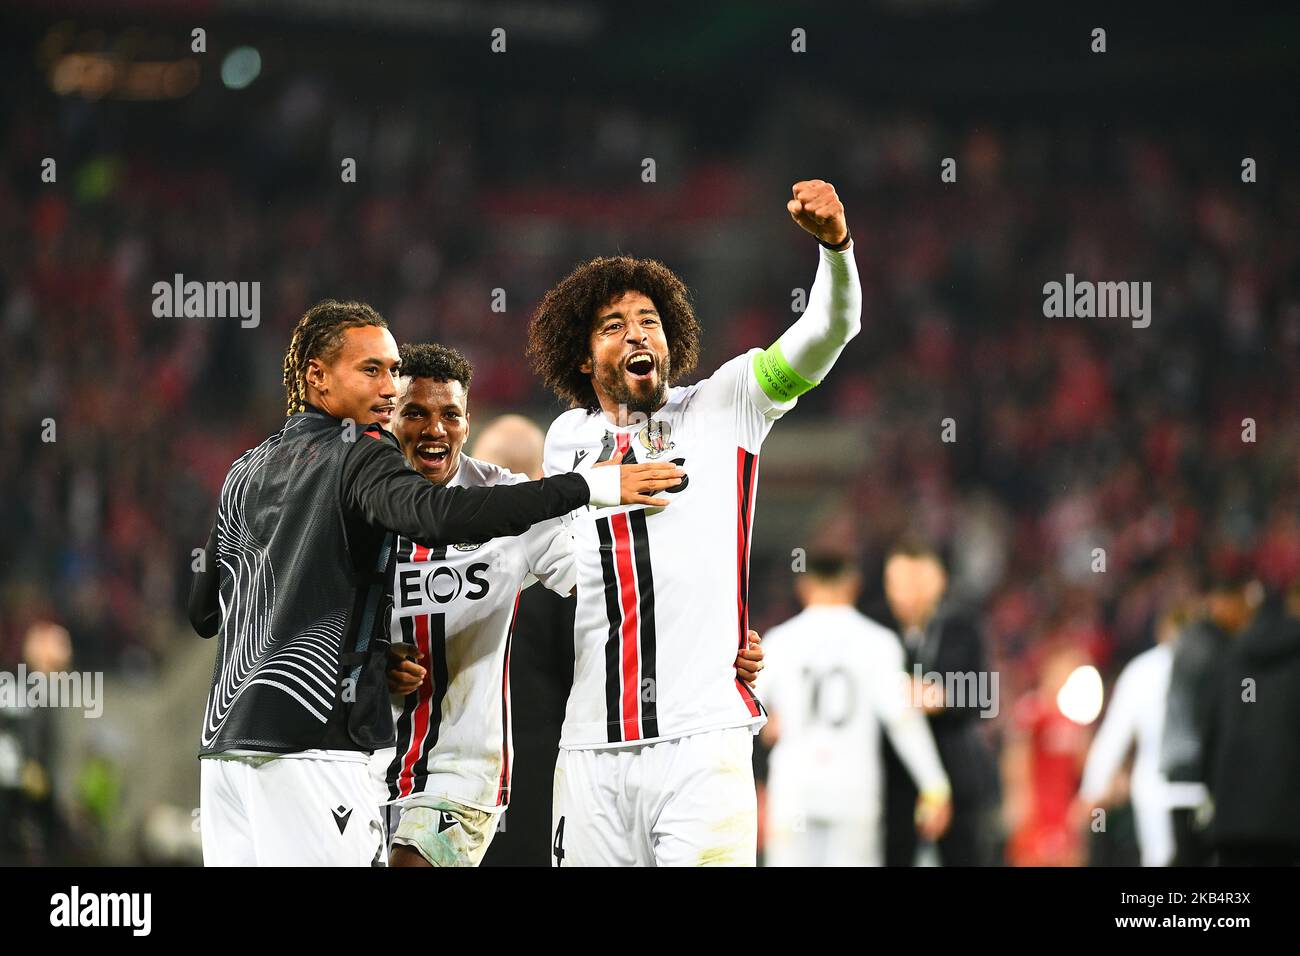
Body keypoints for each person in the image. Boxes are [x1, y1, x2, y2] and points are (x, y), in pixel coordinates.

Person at [189, 301, 683, 866]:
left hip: (253, 751)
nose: (389, 387)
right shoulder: (363, 458)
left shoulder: (246, 468)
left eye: (391, 371)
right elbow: (438, 517)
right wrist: (588, 485)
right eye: (374, 372)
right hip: (327, 751)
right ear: (316, 377)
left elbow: (204, 611)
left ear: (469, 423)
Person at [528, 179, 861, 866]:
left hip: (702, 742)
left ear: (671, 336)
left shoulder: (730, 403)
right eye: (613, 325)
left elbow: (830, 331)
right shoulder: (564, 440)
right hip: (590, 749)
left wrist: (836, 248)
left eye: (649, 319)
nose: (637, 332)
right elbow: (559, 565)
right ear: (584, 357)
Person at [760, 552, 951, 866]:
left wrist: (767, 728)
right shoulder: (877, 642)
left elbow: (746, 711)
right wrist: (934, 784)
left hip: (794, 788)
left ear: (804, 586)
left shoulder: (780, 641)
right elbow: (902, 720)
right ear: (853, 585)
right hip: (854, 789)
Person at [881, 541, 1000, 866]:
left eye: (913, 584)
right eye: (896, 584)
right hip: (895, 778)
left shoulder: (961, 628)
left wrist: (942, 697)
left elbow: (984, 697)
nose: (903, 594)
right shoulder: (879, 628)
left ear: (937, 583)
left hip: (955, 768)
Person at [1072, 606, 1204, 866]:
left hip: (1156, 785)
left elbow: (1114, 736)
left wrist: (1091, 789)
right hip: (1203, 786)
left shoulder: (1143, 670)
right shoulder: (1214, 660)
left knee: (1161, 859)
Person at [1202, 577, 1300, 866]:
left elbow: (1210, 733)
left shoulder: (1230, 657)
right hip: (1288, 819)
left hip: (1232, 816)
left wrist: (1216, 791)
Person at [1158, 567, 1252, 865]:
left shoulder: (1192, 641)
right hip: (1199, 775)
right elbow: (1212, 717)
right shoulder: (1212, 648)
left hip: (1184, 771)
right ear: (1223, 601)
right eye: (1242, 602)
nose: (1246, 613)